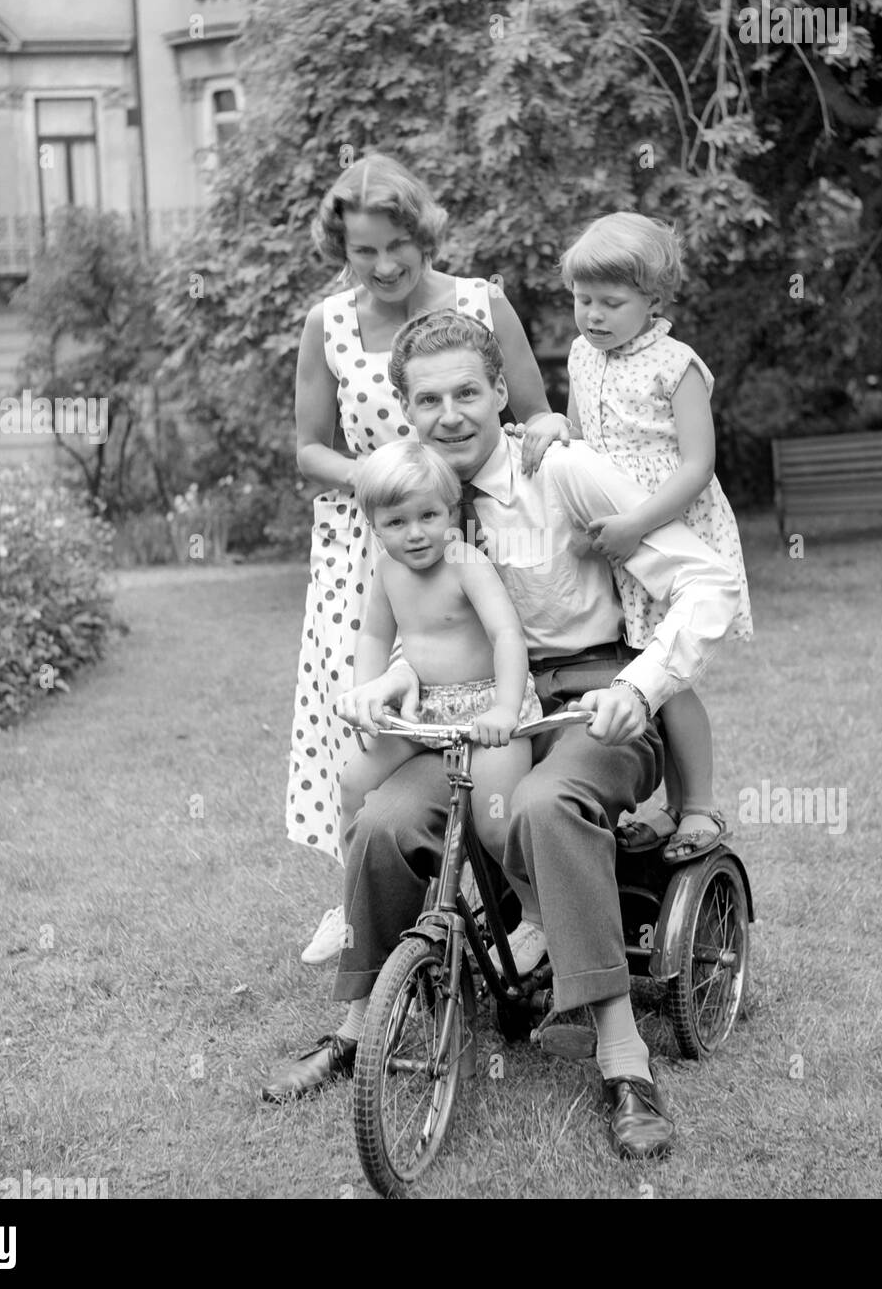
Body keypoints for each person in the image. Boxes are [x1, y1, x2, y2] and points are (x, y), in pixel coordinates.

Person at [263, 310, 743, 1162]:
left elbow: (704, 582)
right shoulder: (414, 508)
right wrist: (398, 679)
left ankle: (623, 1057)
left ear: (500, 394)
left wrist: (644, 683)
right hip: (473, 711)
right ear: (404, 408)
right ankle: (356, 1027)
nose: (450, 415)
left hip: (592, 697)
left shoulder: (561, 470)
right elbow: (426, 632)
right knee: (381, 822)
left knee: (544, 804)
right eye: (428, 399)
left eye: (467, 394)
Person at [288, 153, 569, 965]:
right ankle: (361, 897)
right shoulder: (329, 325)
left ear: (423, 232)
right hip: (374, 540)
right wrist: (390, 487)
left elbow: (536, 411)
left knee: (483, 676)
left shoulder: (482, 302)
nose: (381, 266)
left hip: (480, 520)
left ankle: (519, 885)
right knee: (365, 718)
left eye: (395, 246)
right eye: (361, 251)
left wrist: (474, 473)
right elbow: (309, 450)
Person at [560, 212, 752, 864]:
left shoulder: (678, 367)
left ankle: (695, 805)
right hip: (618, 536)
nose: (594, 316)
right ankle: (666, 810)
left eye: (612, 303)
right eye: (583, 300)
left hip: (673, 535)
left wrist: (638, 525)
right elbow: (582, 438)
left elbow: (698, 466)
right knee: (641, 664)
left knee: (672, 675)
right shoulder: (581, 356)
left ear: (653, 301)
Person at [342, 439, 548, 974]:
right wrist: (368, 694)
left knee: (497, 819)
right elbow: (372, 636)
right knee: (354, 781)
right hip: (426, 709)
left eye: (429, 515)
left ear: (451, 511)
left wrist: (505, 708)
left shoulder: (465, 562)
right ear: (374, 524)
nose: (416, 533)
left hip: (486, 707)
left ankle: (535, 914)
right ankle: (358, 898)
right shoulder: (387, 572)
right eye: (397, 522)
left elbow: (506, 634)